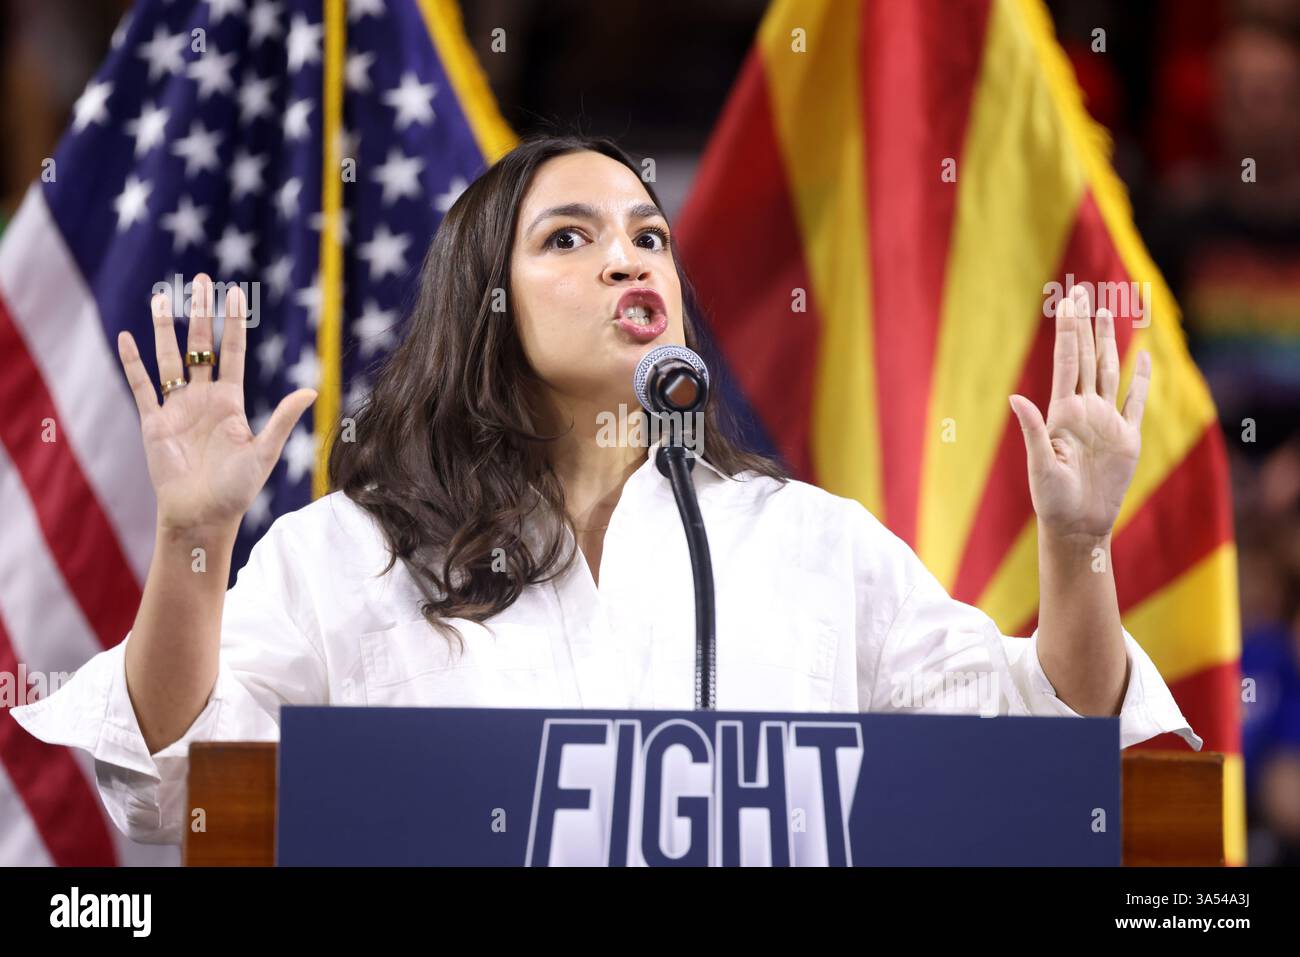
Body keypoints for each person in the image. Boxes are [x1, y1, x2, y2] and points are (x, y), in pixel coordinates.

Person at [12, 134, 1199, 846]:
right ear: (487, 301)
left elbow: (1054, 754)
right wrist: (193, 540)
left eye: (646, 234)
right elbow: (173, 781)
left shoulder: (811, 544)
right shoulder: (347, 552)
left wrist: (1078, 548)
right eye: (568, 239)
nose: (628, 257)